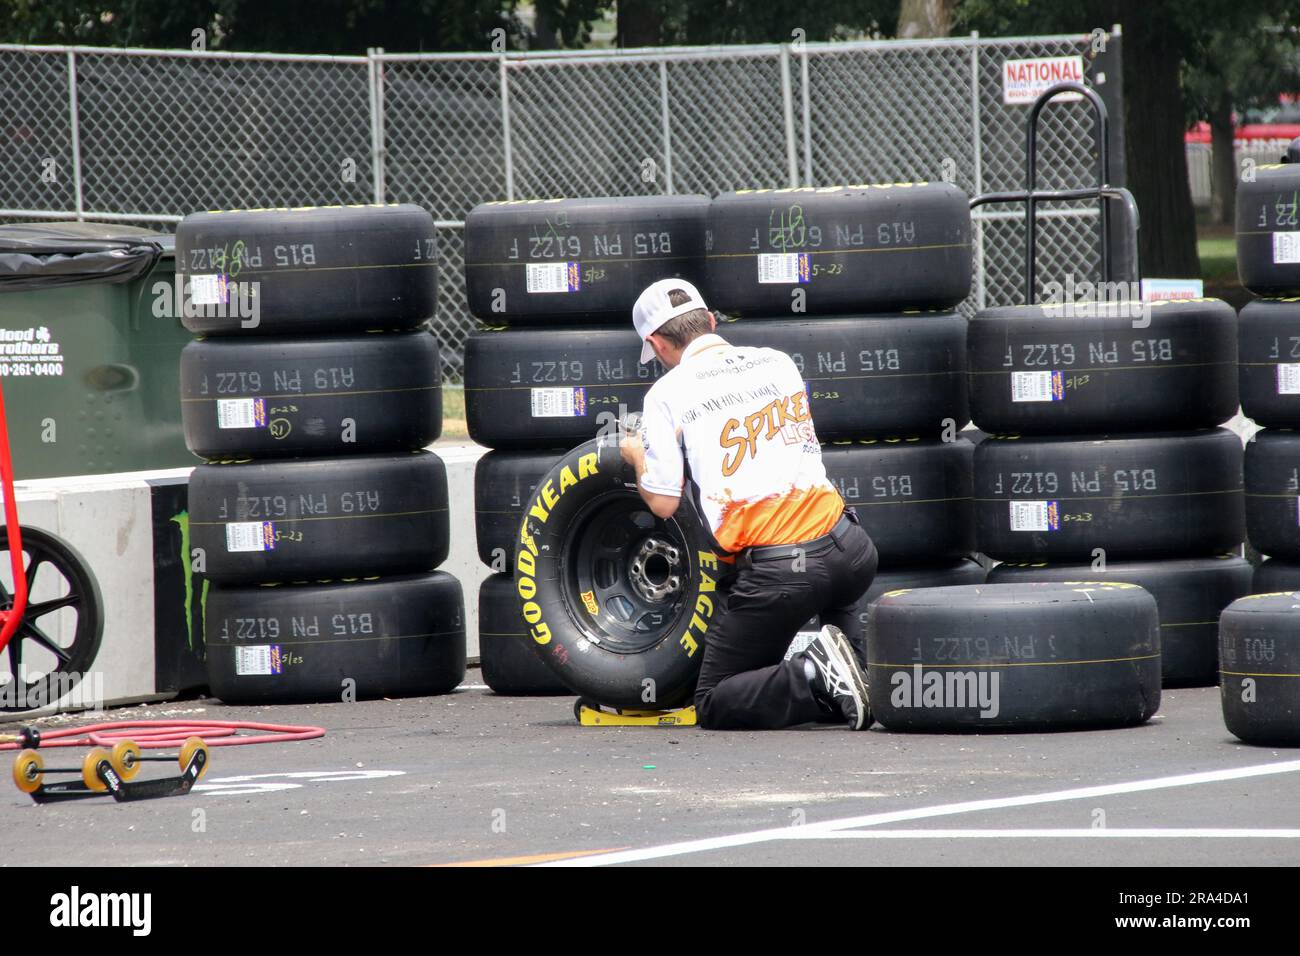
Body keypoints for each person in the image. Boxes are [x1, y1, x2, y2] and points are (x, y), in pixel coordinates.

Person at [619, 278, 879, 730]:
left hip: (783, 574)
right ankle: (859, 666)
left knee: (715, 701)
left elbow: (662, 502)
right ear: (711, 322)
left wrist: (637, 454)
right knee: (840, 626)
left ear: (656, 344)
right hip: (851, 550)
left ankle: (815, 673)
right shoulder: (777, 362)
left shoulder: (665, 394)